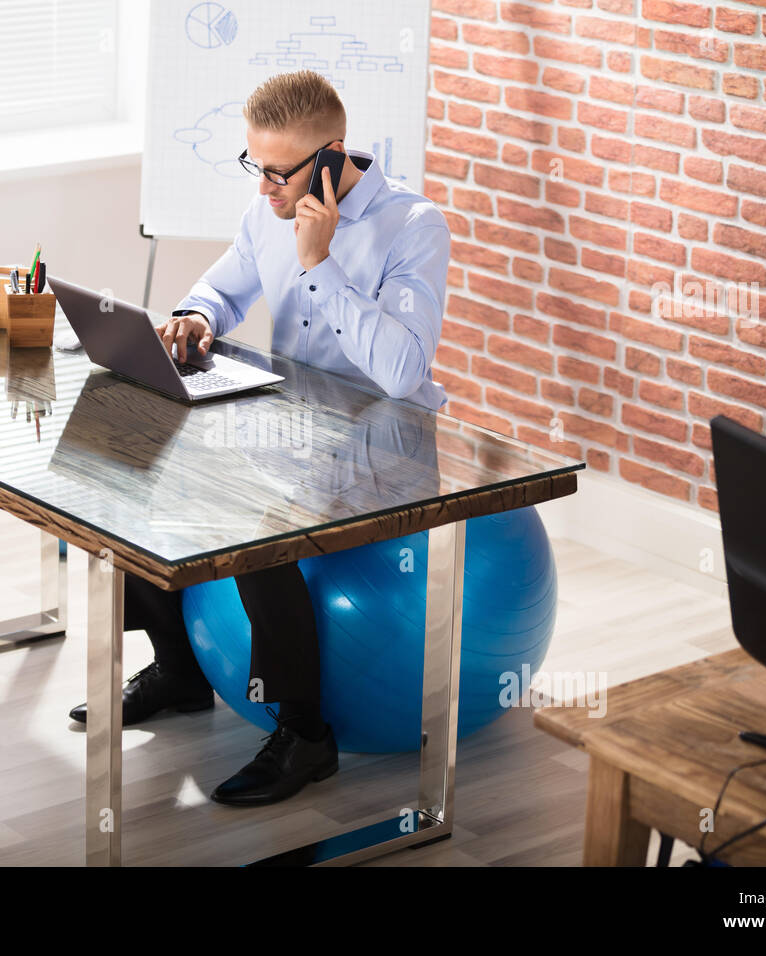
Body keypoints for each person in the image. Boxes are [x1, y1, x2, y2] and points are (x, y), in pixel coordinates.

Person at [68, 69, 452, 807]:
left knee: (246, 519)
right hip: (293, 428)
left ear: (334, 159)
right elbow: (221, 286)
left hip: (387, 449)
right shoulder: (266, 212)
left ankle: (307, 736)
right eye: (257, 167)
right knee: (126, 468)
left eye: (281, 173)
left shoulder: (414, 226)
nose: (266, 189)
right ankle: (180, 668)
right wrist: (197, 318)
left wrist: (320, 261)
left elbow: (403, 373)